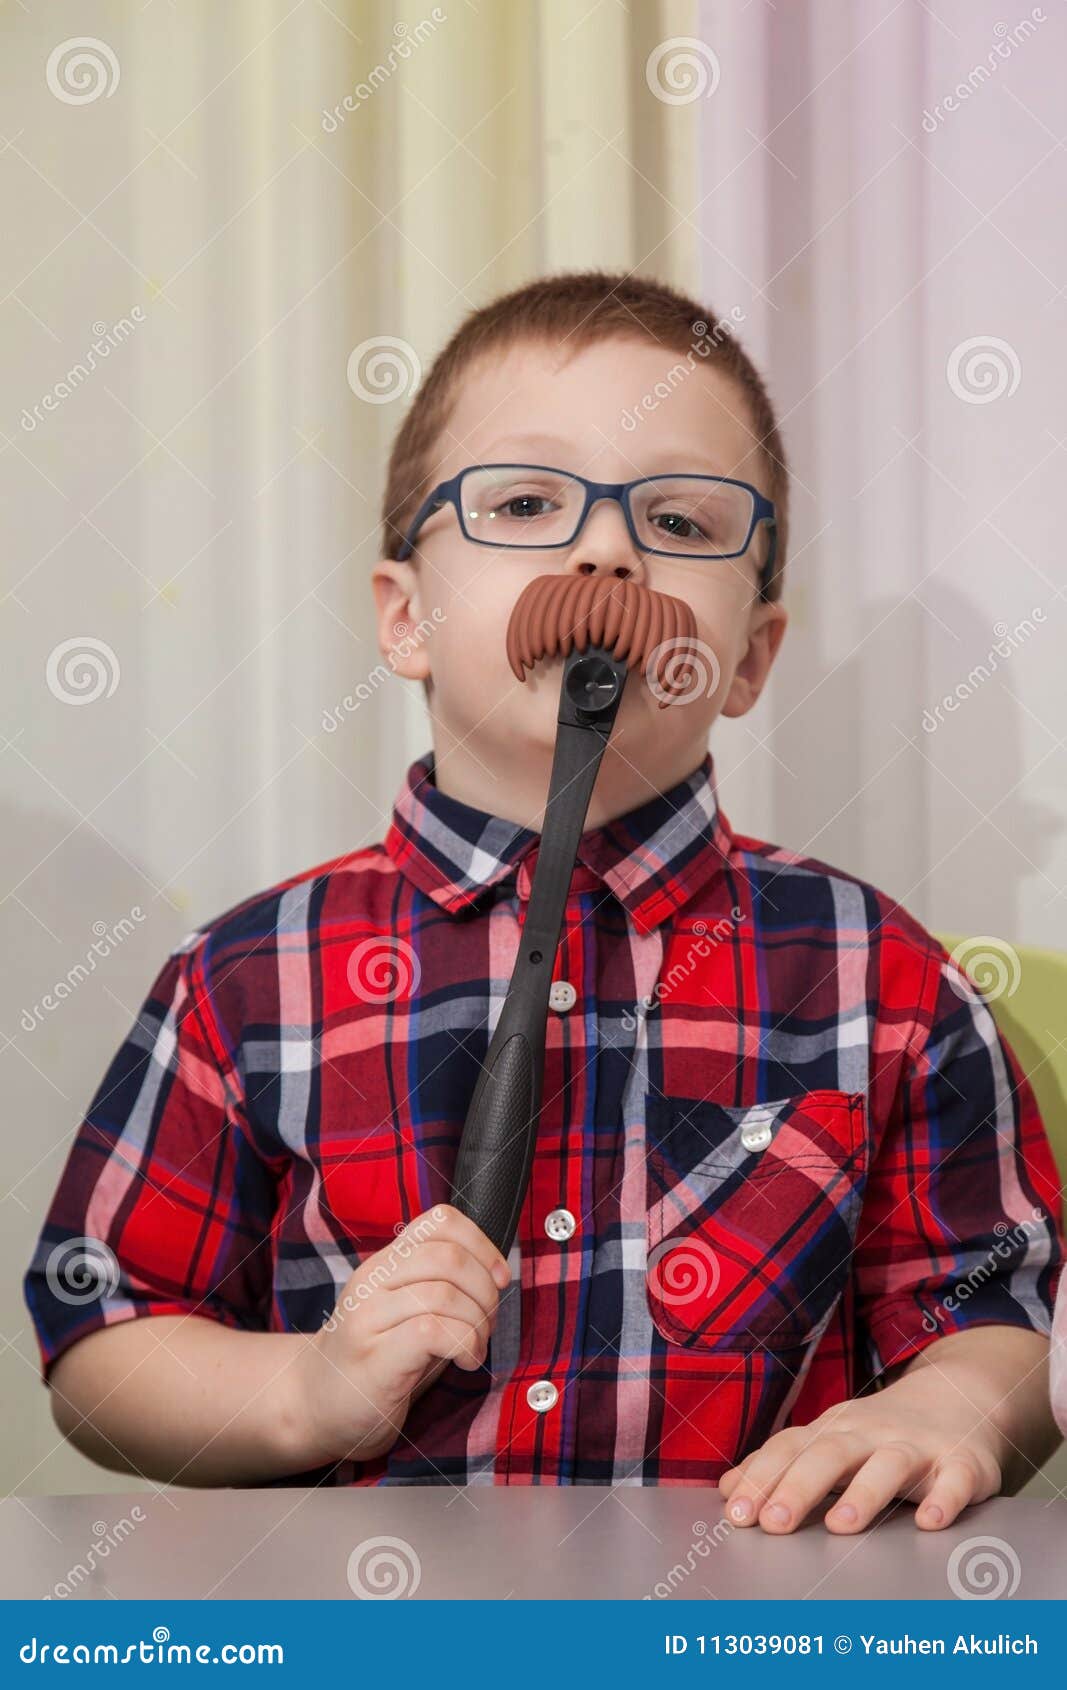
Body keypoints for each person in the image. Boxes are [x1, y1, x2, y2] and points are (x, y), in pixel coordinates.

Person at [24, 270, 1064, 1533]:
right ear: (404, 618)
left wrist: (949, 1404)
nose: (605, 549)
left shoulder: (879, 978)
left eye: (680, 523)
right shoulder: (246, 977)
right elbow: (103, 1333)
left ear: (747, 657)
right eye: (524, 501)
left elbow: (1000, 1308)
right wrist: (306, 1387)